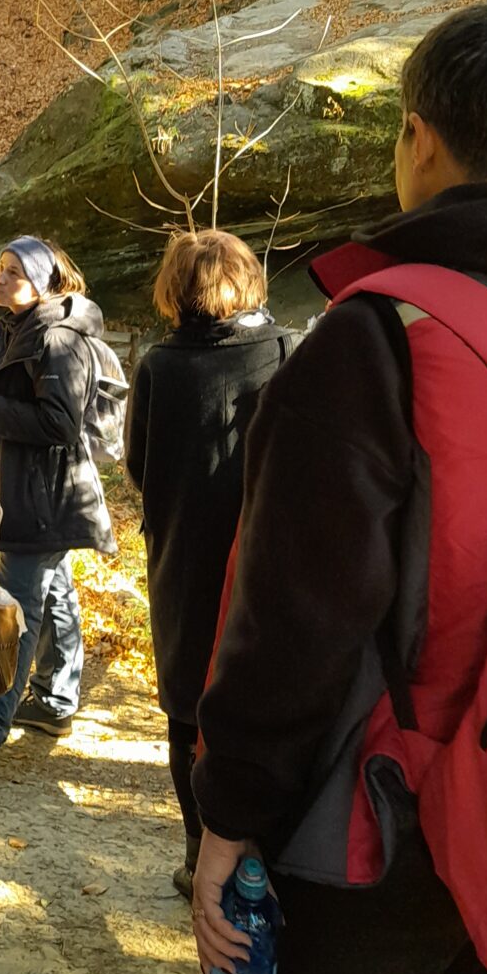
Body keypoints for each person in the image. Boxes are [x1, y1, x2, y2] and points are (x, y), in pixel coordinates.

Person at [166, 1, 487, 974]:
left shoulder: (381, 338)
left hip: (386, 829)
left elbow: (293, 623)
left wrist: (231, 816)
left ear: (420, 138)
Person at [125, 230, 295, 900]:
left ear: (175, 288)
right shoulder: (282, 352)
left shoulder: (160, 366)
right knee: (256, 696)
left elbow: (138, 465)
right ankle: (259, 854)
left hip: (185, 556)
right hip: (261, 558)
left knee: (187, 707)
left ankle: (200, 852)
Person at [0, 235, 113, 766]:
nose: (2, 280)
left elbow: (62, 424)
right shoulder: (15, 327)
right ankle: (55, 698)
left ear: (44, 282)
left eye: (15, 273)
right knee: (57, 594)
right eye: (0, 268)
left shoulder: (58, 338)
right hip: (27, 487)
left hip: (47, 494)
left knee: (18, 610)